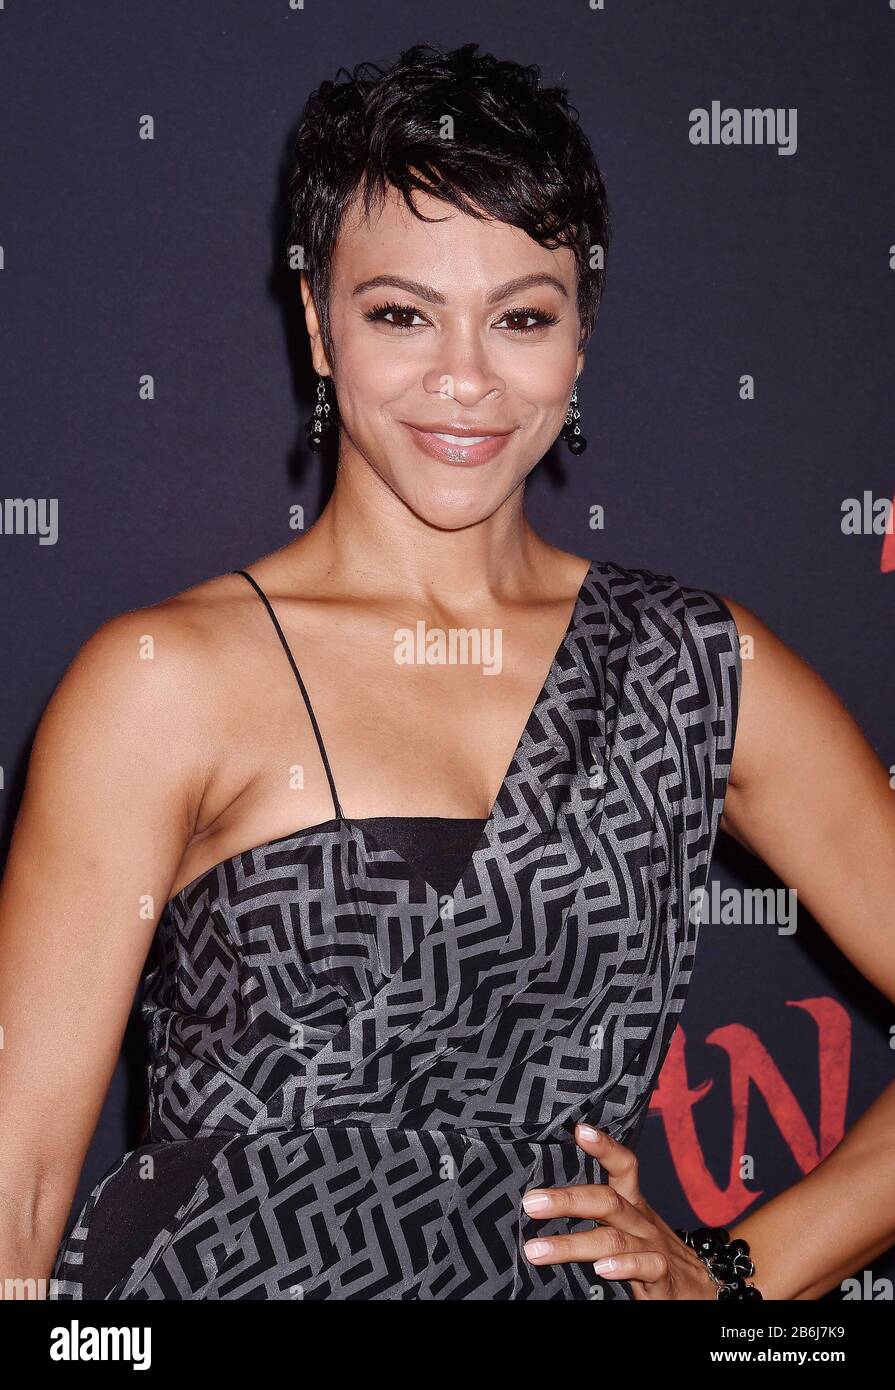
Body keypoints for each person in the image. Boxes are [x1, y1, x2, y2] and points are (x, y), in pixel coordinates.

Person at [1, 41, 893, 1301]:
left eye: (521, 315)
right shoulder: (163, 679)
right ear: (319, 323)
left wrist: (733, 1280)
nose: (464, 376)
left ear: (581, 335)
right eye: (402, 313)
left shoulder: (696, 668)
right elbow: (19, 1191)